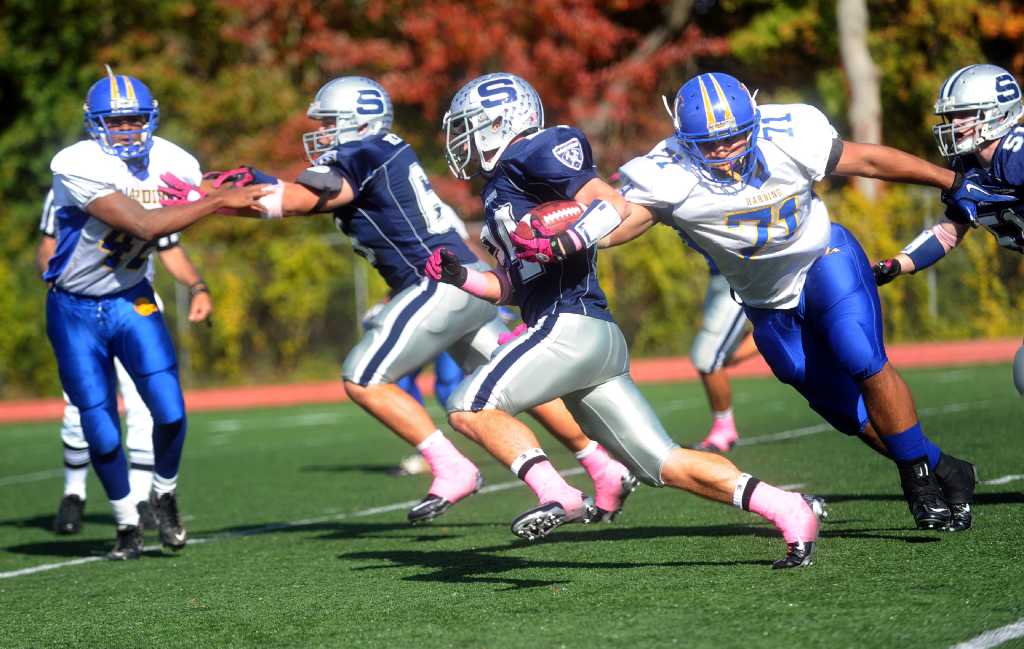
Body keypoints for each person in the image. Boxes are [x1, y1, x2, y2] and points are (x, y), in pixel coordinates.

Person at [162, 76, 636, 524]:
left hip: (436, 282)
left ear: (357, 120)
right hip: (463, 280)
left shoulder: (366, 150)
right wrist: (228, 190)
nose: (322, 135)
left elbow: (304, 199)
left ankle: (455, 467)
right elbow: (305, 190)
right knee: (516, 387)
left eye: (329, 124)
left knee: (363, 375)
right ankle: (602, 466)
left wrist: (210, 200)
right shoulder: (378, 153)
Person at [431, 72, 824, 568]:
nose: (463, 139)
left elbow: (611, 204)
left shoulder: (534, 150)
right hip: (585, 336)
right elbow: (513, 287)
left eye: (469, 126)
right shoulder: (503, 189)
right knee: (662, 463)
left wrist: (564, 241)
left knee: (468, 403)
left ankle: (558, 492)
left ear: (499, 121)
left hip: (568, 326)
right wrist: (460, 277)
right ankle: (789, 508)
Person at [608, 71, 981, 532]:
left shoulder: (791, 132)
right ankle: (946, 468)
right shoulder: (664, 173)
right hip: (764, 301)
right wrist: (569, 232)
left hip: (824, 259)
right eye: (709, 143)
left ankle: (919, 483)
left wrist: (950, 180)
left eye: (734, 137)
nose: (724, 151)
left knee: (860, 354)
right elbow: (616, 225)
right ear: (683, 139)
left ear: (755, 118)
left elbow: (868, 161)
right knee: (844, 410)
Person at [45, 66, 268, 559]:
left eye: (134, 119)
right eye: (115, 121)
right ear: (94, 123)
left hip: (132, 296)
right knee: (99, 425)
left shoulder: (175, 160)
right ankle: (126, 521)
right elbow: (145, 223)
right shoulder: (75, 163)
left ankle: (163, 492)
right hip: (75, 307)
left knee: (170, 409)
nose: (126, 129)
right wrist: (215, 202)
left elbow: (202, 202)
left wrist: (268, 194)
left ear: (151, 118)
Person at [37, 189, 213, 534]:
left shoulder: (154, 183)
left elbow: (169, 246)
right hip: (82, 307)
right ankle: (74, 493)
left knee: (145, 404)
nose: (125, 136)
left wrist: (197, 286)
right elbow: (48, 246)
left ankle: (139, 499)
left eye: (131, 128)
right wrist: (62, 291)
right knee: (81, 403)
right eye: (116, 129)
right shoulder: (70, 183)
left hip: (134, 305)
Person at [872, 63, 1024, 398]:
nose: (954, 125)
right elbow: (946, 233)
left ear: (997, 112)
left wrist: (987, 197)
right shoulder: (968, 167)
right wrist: (896, 265)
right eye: (951, 116)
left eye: (964, 114)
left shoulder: (1017, 150)